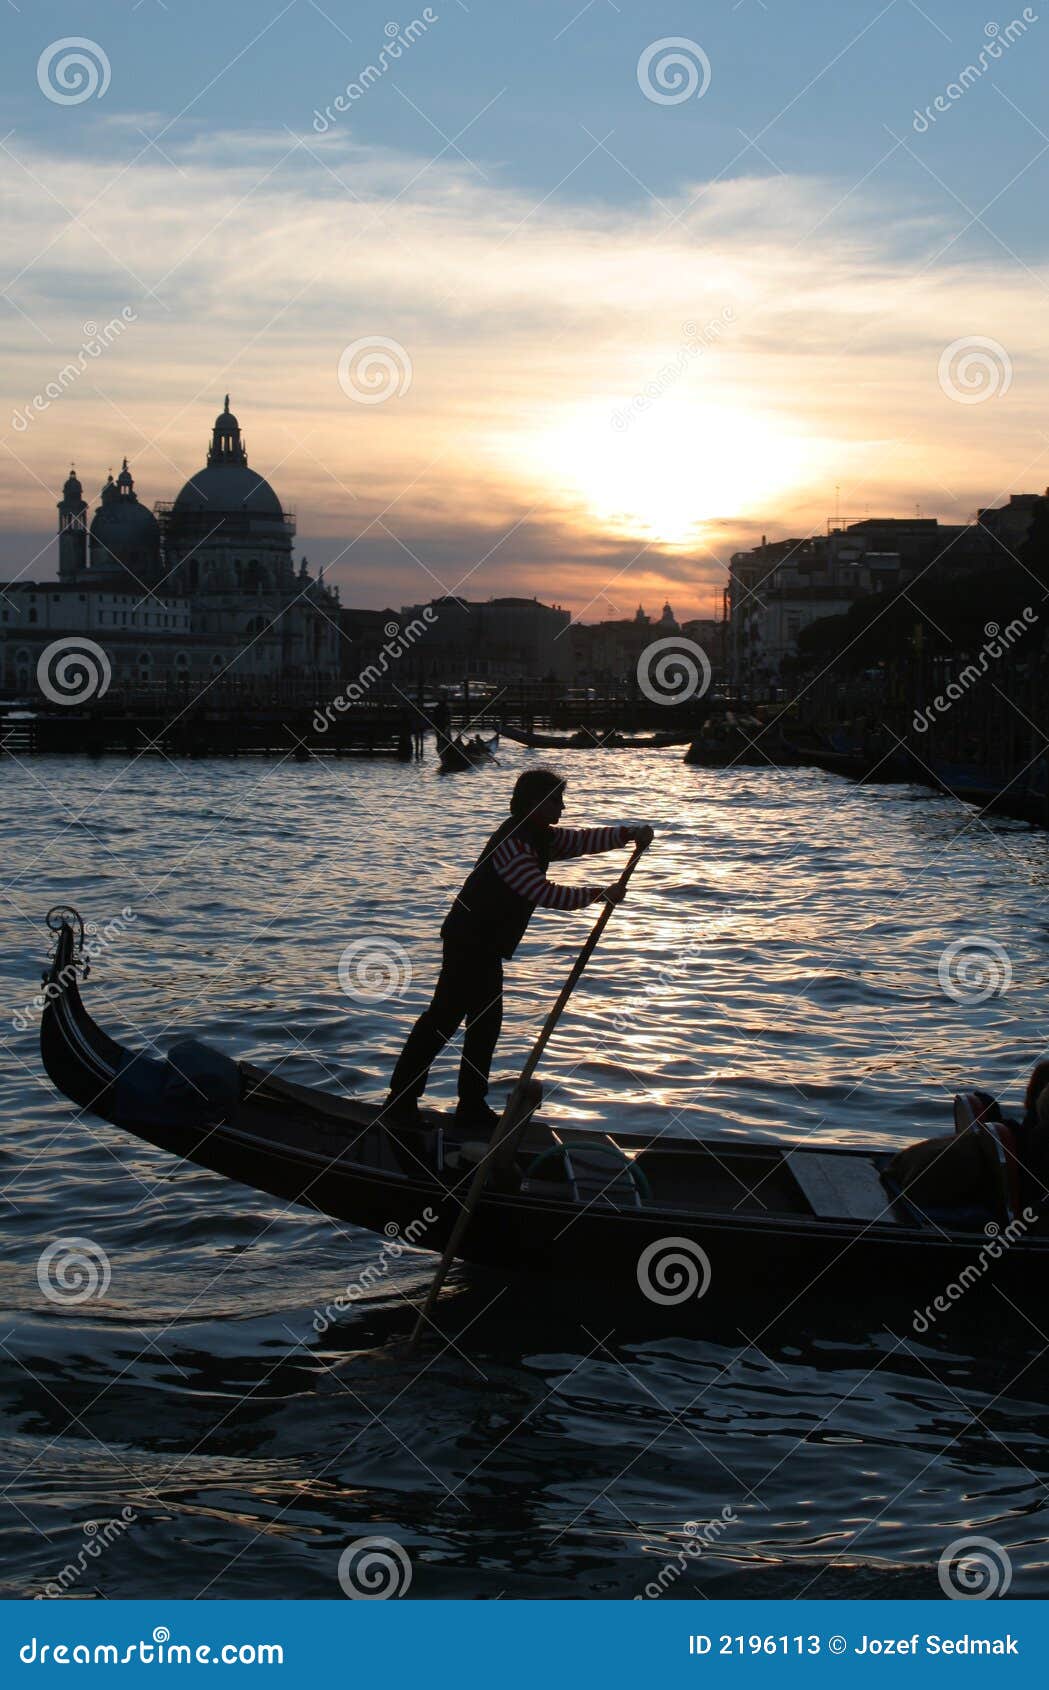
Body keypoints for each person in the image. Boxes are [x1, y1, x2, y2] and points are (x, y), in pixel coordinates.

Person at [382, 768, 653, 1131]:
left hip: (488, 946)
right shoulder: (514, 842)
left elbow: (581, 842)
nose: (562, 806)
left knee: (485, 1025)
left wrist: (628, 834)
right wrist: (598, 894)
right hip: (468, 942)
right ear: (534, 803)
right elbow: (542, 892)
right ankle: (401, 1100)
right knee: (443, 1020)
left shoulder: (539, 836)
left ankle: (471, 1106)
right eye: (555, 800)